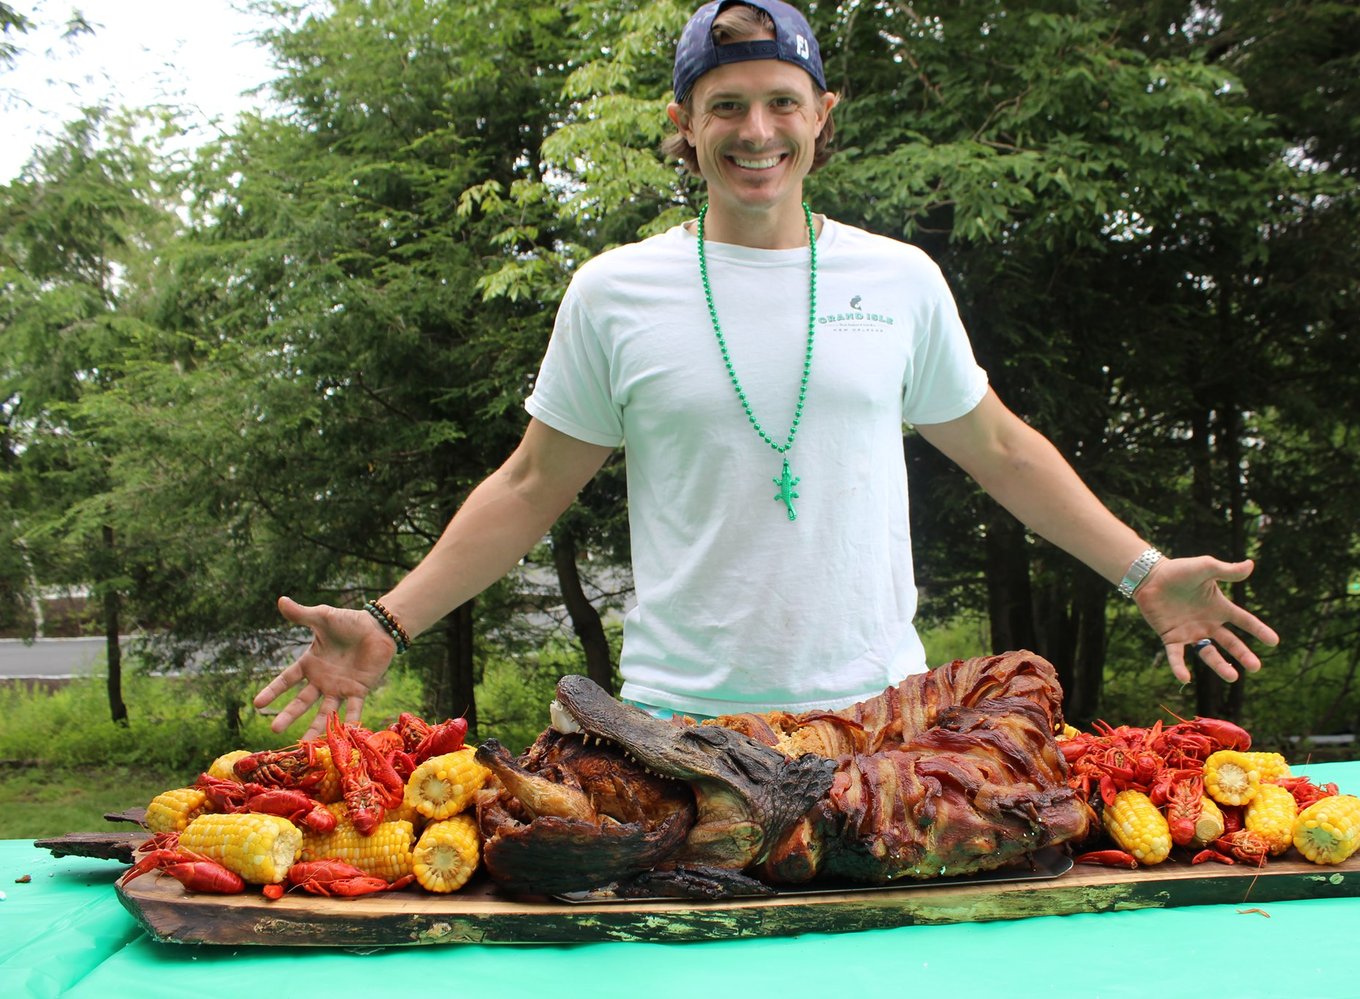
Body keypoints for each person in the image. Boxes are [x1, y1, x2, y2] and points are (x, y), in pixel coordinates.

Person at [255, 0, 1278, 737]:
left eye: (782, 103)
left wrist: (1143, 570)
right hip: (679, 730)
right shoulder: (616, 292)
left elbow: (1002, 449)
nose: (756, 132)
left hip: (885, 724)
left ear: (823, 114)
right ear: (683, 125)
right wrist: (392, 619)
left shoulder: (901, 277)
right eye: (726, 104)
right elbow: (529, 488)